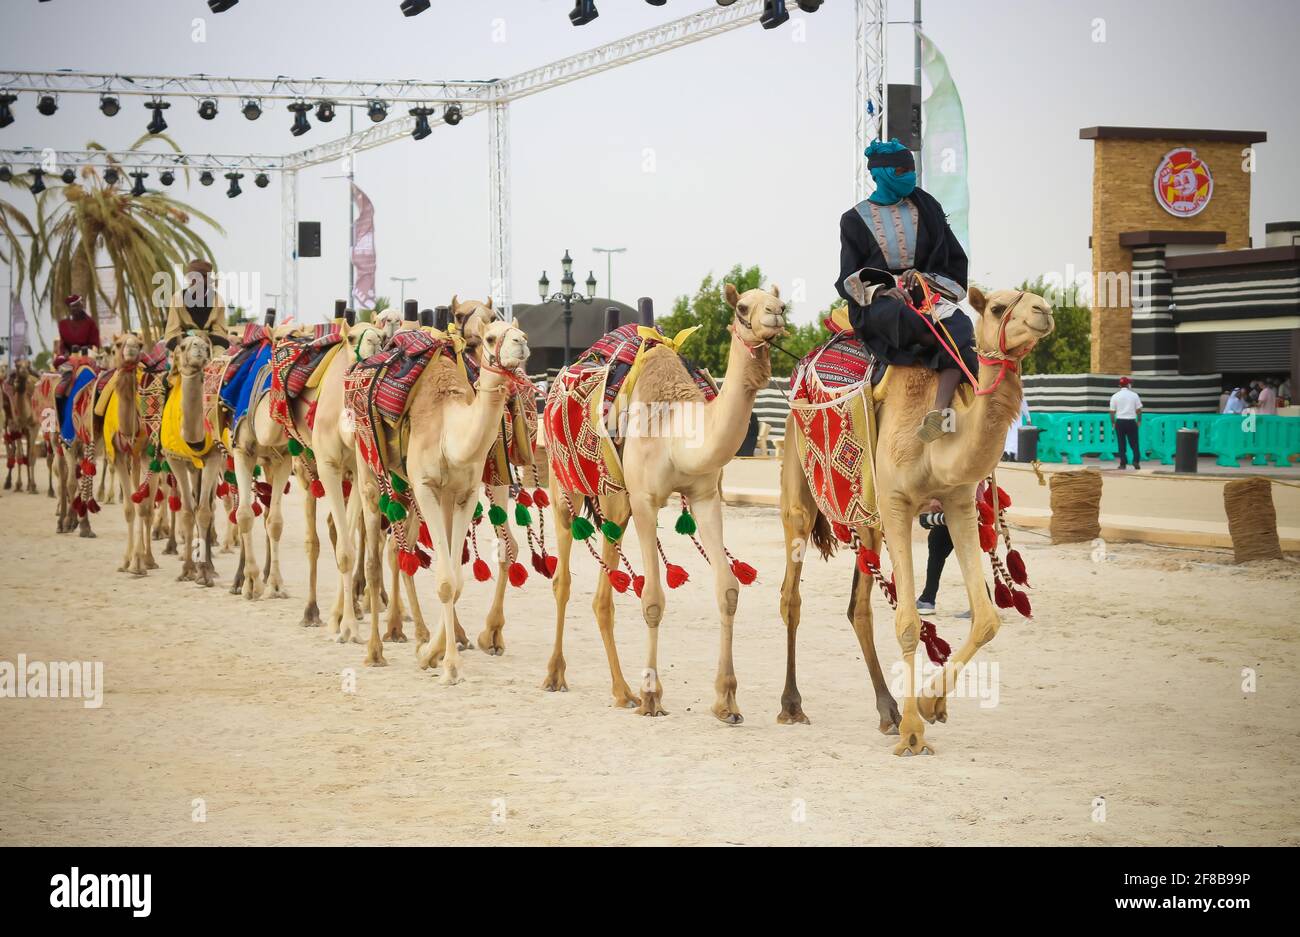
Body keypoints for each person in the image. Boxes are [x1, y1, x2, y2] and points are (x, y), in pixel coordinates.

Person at [836, 138, 971, 444]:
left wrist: (924, 277)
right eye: (901, 170)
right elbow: (847, 276)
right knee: (898, 314)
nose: (910, 176)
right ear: (881, 174)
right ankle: (936, 344)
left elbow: (953, 262)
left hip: (926, 293)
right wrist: (884, 289)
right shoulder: (854, 220)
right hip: (879, 302)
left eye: (911, 169)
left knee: (962, 325)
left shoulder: (928, 208)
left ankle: (939, 413)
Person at [163, 259, 229, 350]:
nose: (200, 280)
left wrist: (205, 339)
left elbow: (220, 331)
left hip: (211, 343)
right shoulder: (178, 298)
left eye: (204, 276)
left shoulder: (217, 300)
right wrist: (191, 339)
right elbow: (172, 331)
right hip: (185, 343)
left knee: (221, 356)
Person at [1109, 376, 1143, 470]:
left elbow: (1112, 412)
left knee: (1121, 443)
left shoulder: (1115, 396)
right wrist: (1139, 420)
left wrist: (1113, 422)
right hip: (1131, 421)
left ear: (1119, 385)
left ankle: (1123, 463)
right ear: (1128, 384)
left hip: (1120, 421)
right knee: (1134, 443)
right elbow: (1139, 410)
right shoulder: (1134, 395)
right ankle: (1136, 461)